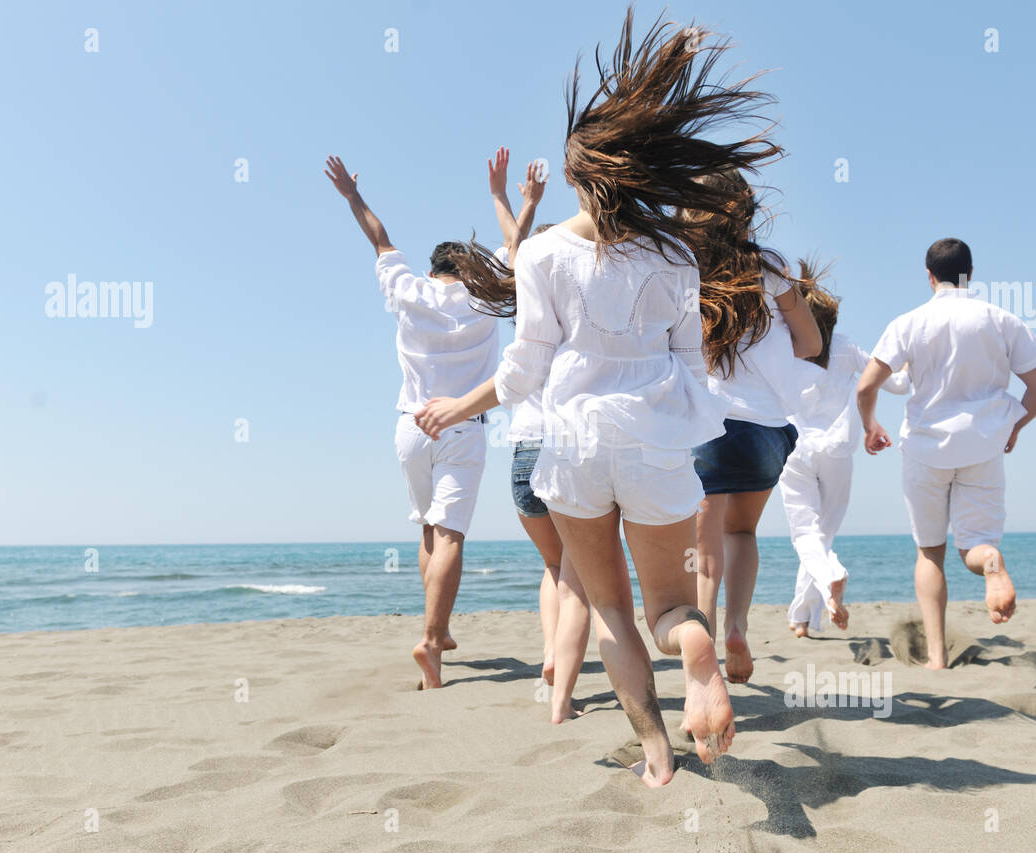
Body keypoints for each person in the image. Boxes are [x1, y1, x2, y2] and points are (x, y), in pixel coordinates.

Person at [413, 11, 781, 785]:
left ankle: (656, 754)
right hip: (654, 445)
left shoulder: (544, 251)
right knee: (669, 607)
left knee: (609, 610)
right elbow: (690, 361)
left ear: (580, 176)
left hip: (574, 446)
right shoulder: (676, 253)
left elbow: (526, 367)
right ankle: (695, 648)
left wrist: (458, 406)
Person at [324, 155, 498, 689]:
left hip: (410, 427)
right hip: (463, 426)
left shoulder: (408, 289)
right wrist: (515, 199)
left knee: (427, 527)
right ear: (470, 272)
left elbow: (380, 238)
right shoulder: (487, 299)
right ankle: (430, 638)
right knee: (450, 534)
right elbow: (516, 248)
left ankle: (438, 632)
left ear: (431, 271)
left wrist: (352, 195)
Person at [857, 238, 1036, 669]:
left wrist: (870, 426)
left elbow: (866, 386)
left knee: (931, 552)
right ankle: (991, 563)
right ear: (971, 273)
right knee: (975, 547)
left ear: (929, 276)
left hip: (926, 448)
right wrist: (1013, 426)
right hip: (983, 446)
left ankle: (937, 657)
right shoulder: (1000, 319)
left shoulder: (910, 322)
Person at [679, 169, 823, 683]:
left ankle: (704, 653)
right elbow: (810, 345)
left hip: (704, 425)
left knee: (702, 551)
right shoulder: (770, 265)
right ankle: (738, 626)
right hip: (764, 431)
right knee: (742, 531)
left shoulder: (678, 264)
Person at [487, 147, 593, 722]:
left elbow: (516, 251)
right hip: (569, 451)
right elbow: (520, 250)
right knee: (578, 573)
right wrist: (515, 201)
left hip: (522, 456)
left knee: (554, 568)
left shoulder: (527, 313)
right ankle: (563, 688)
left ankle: (551, 653)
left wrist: (508, 199)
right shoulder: (579, 314)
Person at [778, 260, 909, 637]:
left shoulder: (785, 349)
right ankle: (806, 613)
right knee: (823, 534)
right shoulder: (845, 346)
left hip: (793, 451)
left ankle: (804, 615)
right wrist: (912, 359)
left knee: (806, 534)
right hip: (836, 452)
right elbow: (897, 385)